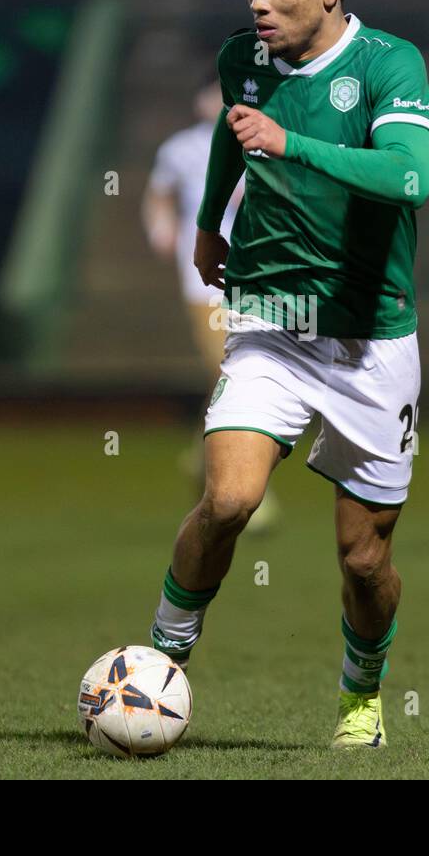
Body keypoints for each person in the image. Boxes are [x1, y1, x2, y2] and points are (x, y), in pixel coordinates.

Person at [147, 0, 429, 748]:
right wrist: (207, 226)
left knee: (363, 560)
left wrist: (292, 143)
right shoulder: (243, 58)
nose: (258, 4)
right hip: (271, 318)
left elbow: (410, 178)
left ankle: (361, 691)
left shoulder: (389, 65)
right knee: (230, 497)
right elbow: (233, 139)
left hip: (371, 337)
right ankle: (163, 656)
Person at [142, 73, 280, 533]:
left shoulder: (262, 136)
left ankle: (208, 465)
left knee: (248, 374)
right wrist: (161, 229)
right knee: (230, 371)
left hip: (260, 276)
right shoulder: (181, 148)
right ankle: (242, 484)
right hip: (205, 280)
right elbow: (159, 195)